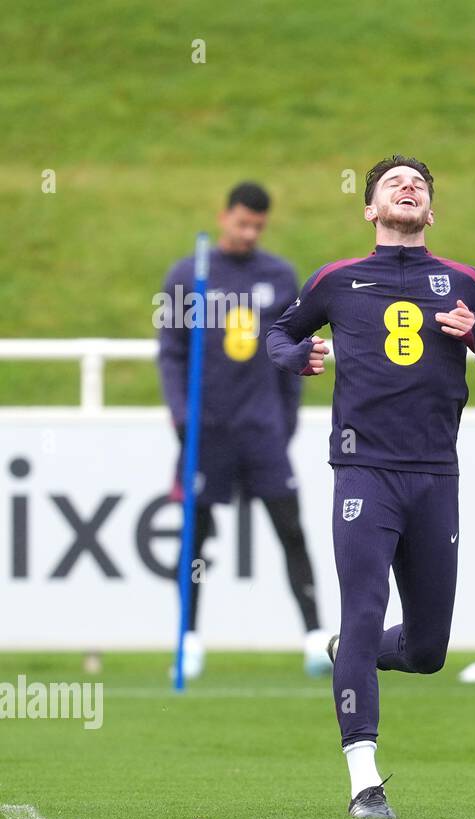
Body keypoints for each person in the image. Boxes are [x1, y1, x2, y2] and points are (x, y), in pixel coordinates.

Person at [266, 155, 475, 819]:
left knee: (428, 649)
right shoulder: (336, 279)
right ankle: (364, 782)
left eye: (419, 185)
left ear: (431, 212)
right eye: (393, 183)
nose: (408, 188)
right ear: (370, 208)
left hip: (436, 473)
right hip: (363, 469)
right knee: (362, 609)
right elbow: (278, 333)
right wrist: (300, 358)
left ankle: (348, 652)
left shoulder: (464, 281)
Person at [157, 181, 329, 679]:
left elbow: (294, 349)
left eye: (258, 225)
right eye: (241, 222)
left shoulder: (278, 276)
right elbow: (171, 351)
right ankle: (188, 639)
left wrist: (286, 419)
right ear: (223, 215)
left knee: (290, 529)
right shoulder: (188, 275)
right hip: (206, 429)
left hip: (262, 428)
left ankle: (316, 637)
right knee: (196, 538)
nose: (249, 232)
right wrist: (180, 416)